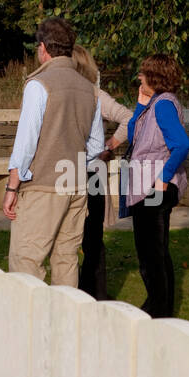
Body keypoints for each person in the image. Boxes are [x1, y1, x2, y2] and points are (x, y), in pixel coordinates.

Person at [4, 18, 104, 286]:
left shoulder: (39, 84)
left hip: (43, 186)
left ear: (43, 48)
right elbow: (95, 146)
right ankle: (67, 325)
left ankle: (30, 325)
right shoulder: (90, 89)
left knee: (26, 260)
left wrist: (12, 187)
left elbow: (26, 142)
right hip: (76, 183)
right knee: (66, 258)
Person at [120, 54, 189, 318]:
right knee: (150, 252)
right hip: (148, 186)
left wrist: (163, 179)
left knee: (153, 254)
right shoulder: (155, 104)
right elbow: (134, 137)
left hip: (155, 188)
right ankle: (158, 307)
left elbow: (181, 144)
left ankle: (160, 313)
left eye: (143, 73)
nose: (139, 77)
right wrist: (139, 105)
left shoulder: (163, 105)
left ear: (154, 77)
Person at [71, 45, 132, 300]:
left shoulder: (97, 95)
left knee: (92, 238)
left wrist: (110, 146)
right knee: (74, 237)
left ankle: (95, 295)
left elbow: (130, 118)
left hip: (90, 172)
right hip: (70, 171)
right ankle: (82, 293)